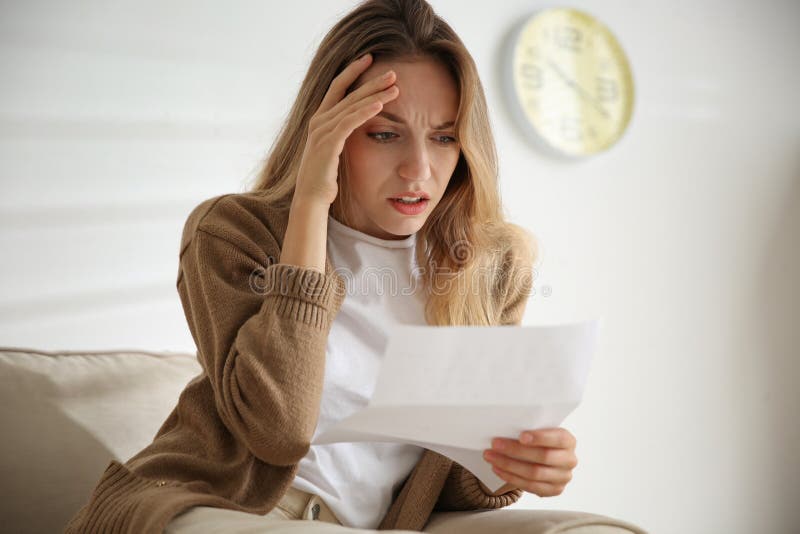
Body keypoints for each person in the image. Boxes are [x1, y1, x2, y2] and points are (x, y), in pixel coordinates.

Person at [64, 0, 647, 532]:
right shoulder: (232, 234)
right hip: (219, 510)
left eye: (444, 138)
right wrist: (312, 203)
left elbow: (448, 477)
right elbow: (278, 429)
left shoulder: (492, 266)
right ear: (328, 131)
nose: (419, 170)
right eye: (385, 134)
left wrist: (517, 465)